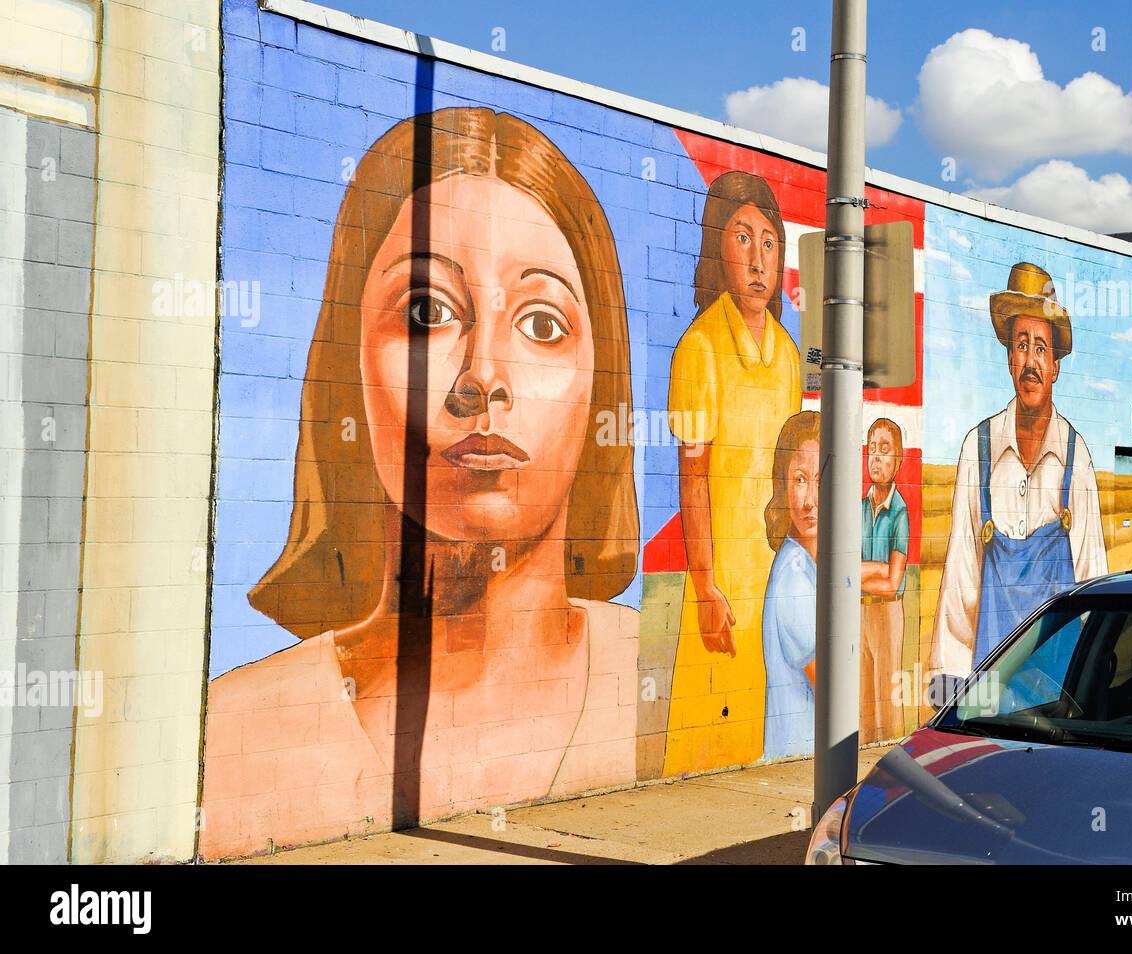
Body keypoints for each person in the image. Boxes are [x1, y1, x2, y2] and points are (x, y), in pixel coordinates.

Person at [200, 108, 640, 857]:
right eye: (426, 311)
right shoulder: (229, 736)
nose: (483, 379)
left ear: (604, 384)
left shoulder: (674, 679)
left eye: (541, 324)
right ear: (348, 367)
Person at [662, 171, 801, 774]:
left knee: (780, 735)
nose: (757, 259)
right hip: (724, 586)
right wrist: (704, 585)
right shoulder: (699, 348)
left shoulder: (790, 355)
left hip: (782, 575)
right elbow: (691, 476)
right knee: (711, 744)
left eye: (769, 242)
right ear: (717, 245)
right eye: (742, 238)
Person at [931, 263, 1106, 681]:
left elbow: (1092, 577)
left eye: (1041, 348)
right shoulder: (978, 448)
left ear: (1055, 367)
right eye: (1022, 345)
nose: (1031, 361)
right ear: (1010, 357)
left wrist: (1090, 684)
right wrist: (947, 685)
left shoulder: (1074, 455)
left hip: (1057, 683)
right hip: (989, 683)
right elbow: (960, 575)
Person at [759, 411, 819, 760]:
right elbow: (830, 691)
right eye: (799, 480)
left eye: (820, 481)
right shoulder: (794, 577)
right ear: (782, 484)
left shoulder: (809, 566)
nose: (810, 500)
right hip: (798, 763)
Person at [860, 417, 909, 742]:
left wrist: (859, 572)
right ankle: (862, 749)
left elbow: (893, 582)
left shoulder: (899, 513)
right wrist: (874, 569)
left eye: (885, 450)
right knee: (862, 694)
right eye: (872, 449)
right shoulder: (860, 507)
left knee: (886, 694)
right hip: (860, 612)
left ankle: (889, 753)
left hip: (887, 613)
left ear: (898, 459)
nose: (876, 458)